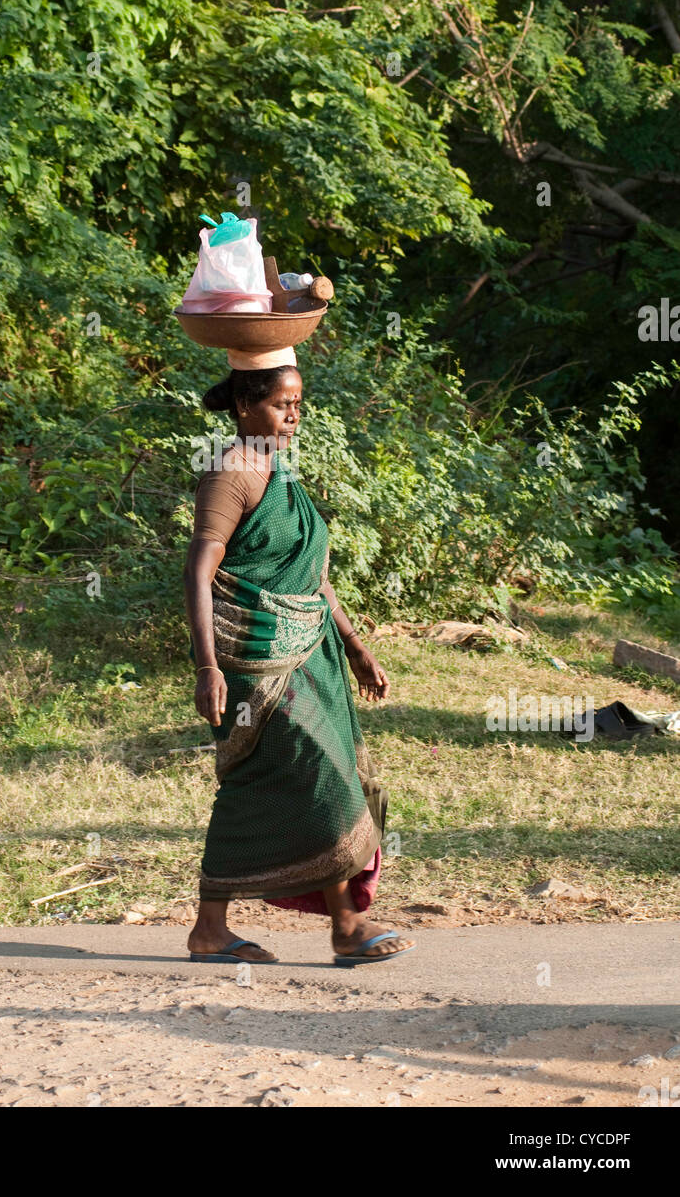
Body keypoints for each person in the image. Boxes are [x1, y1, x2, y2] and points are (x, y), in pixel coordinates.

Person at [183, 358, 415, 966]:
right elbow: (199, 572)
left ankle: (220, 928)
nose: (292, 415)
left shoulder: (279, 473)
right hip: (254, 662)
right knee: (311, 776)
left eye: (298, 405)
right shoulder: (229, 475)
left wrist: (356, 643)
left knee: (279, 782)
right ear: (242, 407)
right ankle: (343, 924)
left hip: (311, 653)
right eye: (280, 404)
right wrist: (207, 667)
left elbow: (312, 575)